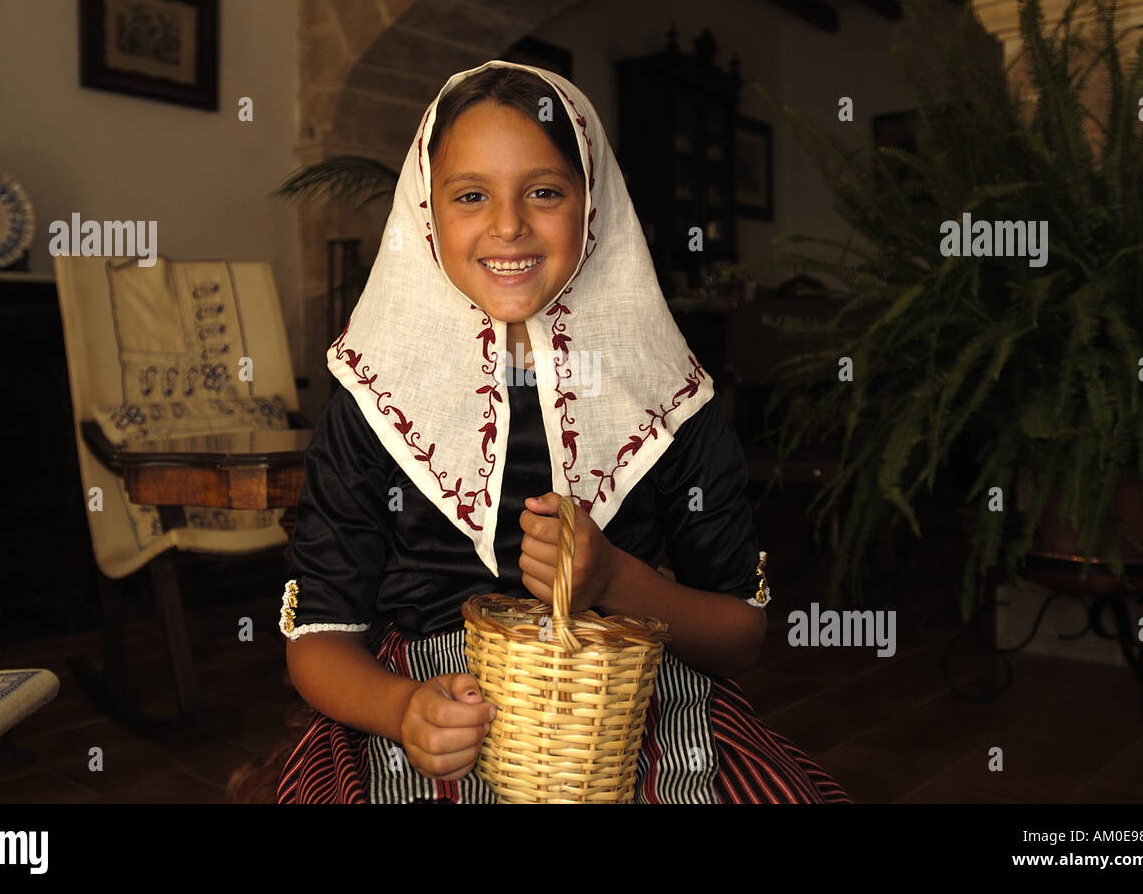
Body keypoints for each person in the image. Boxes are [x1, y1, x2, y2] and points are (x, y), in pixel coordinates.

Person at [276, 60, 851, 804]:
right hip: (425, 707)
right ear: (427, 210)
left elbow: (740, 635)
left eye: (544, 192)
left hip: (630, 703)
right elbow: (320, 638)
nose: (508, 224)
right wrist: (402, 709)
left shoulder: (667, 394)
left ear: (593, 205)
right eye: (471, 195)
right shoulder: (374, 398)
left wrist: (617, 580)